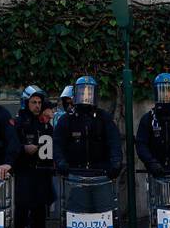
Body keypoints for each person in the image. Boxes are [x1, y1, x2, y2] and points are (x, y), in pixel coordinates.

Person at [52, 75, 121, 213]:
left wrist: (115, 163)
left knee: (104, 214)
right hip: (75, 176)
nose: (85, 95)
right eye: (82, 92)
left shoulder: (104, 118)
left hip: (101, 176)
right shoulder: (66, 119)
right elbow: (58, 145)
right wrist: (61, 162)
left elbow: (114, 142)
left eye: (89, 92)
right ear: (76, 94)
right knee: (76, 214)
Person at [14, 85, 56, 228]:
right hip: (24, 173)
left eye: (39, 102)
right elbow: (11, 145)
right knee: (21, 215)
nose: (37, 105)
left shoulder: (44, 122)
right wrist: (23, 148)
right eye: (33, 102)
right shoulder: (17, 122)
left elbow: (53, 143)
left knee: (39, 215)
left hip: (42, 174)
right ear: (26, 103)